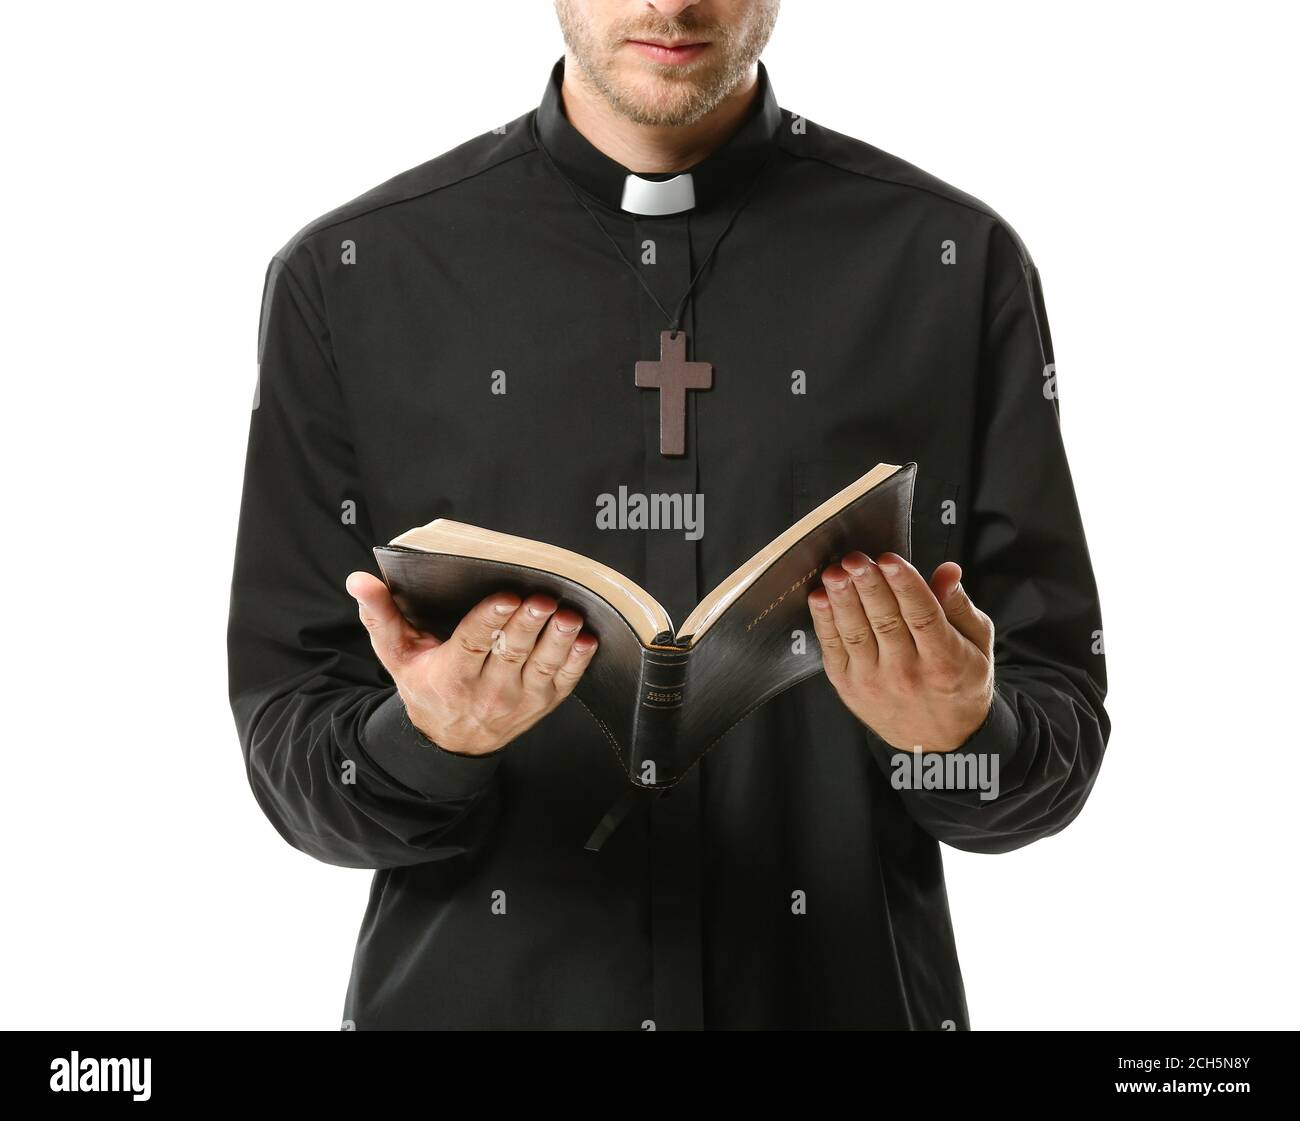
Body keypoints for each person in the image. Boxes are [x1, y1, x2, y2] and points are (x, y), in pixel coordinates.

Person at [228, 0, 1110, 1030]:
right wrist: (428, 736)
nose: (669, 3)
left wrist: (953, 733)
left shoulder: (951, 263)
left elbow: (1054, 741)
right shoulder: (351, 278)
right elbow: (293, 758)